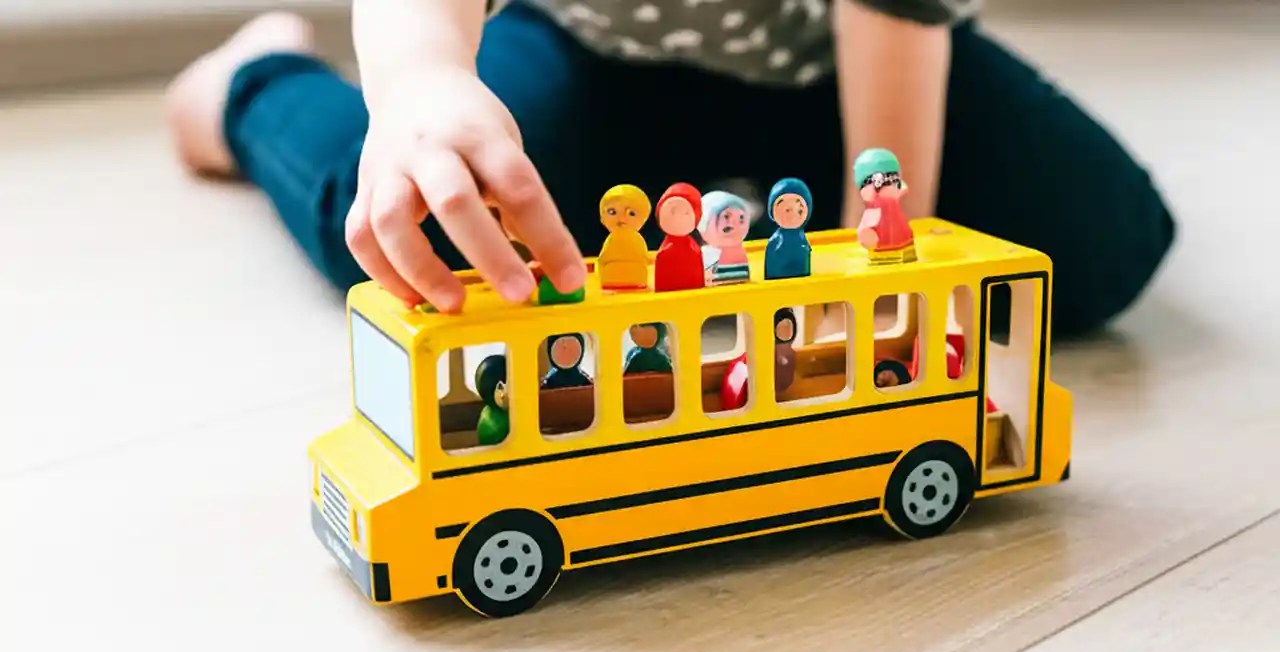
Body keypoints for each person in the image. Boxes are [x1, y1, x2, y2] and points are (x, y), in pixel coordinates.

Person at [165, 0, 1175, 336]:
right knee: (414, 228)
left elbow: (895, 23)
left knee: (1099, 247)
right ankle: (256, 83)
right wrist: (422, 76)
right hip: (593, 55)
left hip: (820, 67)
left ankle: (736, 190)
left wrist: (875, 258)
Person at [597, 184, 652, 290]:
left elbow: (643, 257)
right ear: (602, 217)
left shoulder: (637, 240)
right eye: (612, 212)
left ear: (644, 219)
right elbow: (603, 258)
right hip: (610, 280)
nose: (621, 218)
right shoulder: (611, 240)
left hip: (636, 278)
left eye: (631, 213)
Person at [652, 183, 705, 292]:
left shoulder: (694, 249)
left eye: (685, 213)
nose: (677, 217)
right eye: (672, 211)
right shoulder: (665, 251)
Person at [764, 178, 813, 280]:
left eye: (799, 209)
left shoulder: (801, 238)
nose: (791, 213)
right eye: (785, 209)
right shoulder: (776, 240)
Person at [699, 190, 751, 285]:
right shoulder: (707, 255)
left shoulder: (740, 253)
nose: (735, 223)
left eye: (741, 218)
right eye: (726, 216)